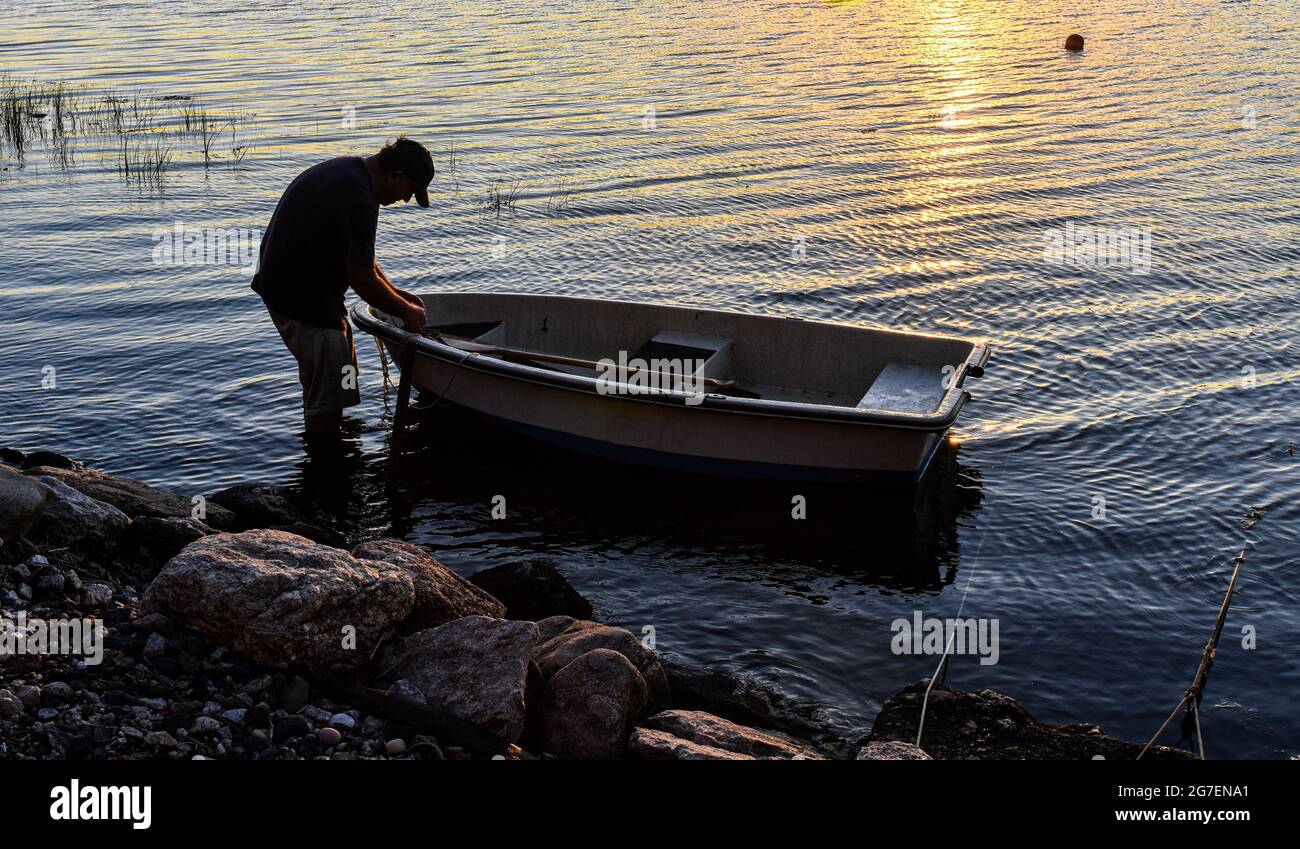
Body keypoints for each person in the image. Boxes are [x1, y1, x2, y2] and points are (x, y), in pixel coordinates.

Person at [252, 137, 433, 434]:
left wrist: (397, 294)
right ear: (395, 176)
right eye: (409, 192)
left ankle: (341, 431)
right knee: (328, 392)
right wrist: (406, 312)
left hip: (292, 288)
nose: (406, 199)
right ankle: (326, 457)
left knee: (343, 375)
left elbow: (362, 262)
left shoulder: (350, 173)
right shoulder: (359, 198)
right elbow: (361, 279)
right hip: (302, 301)